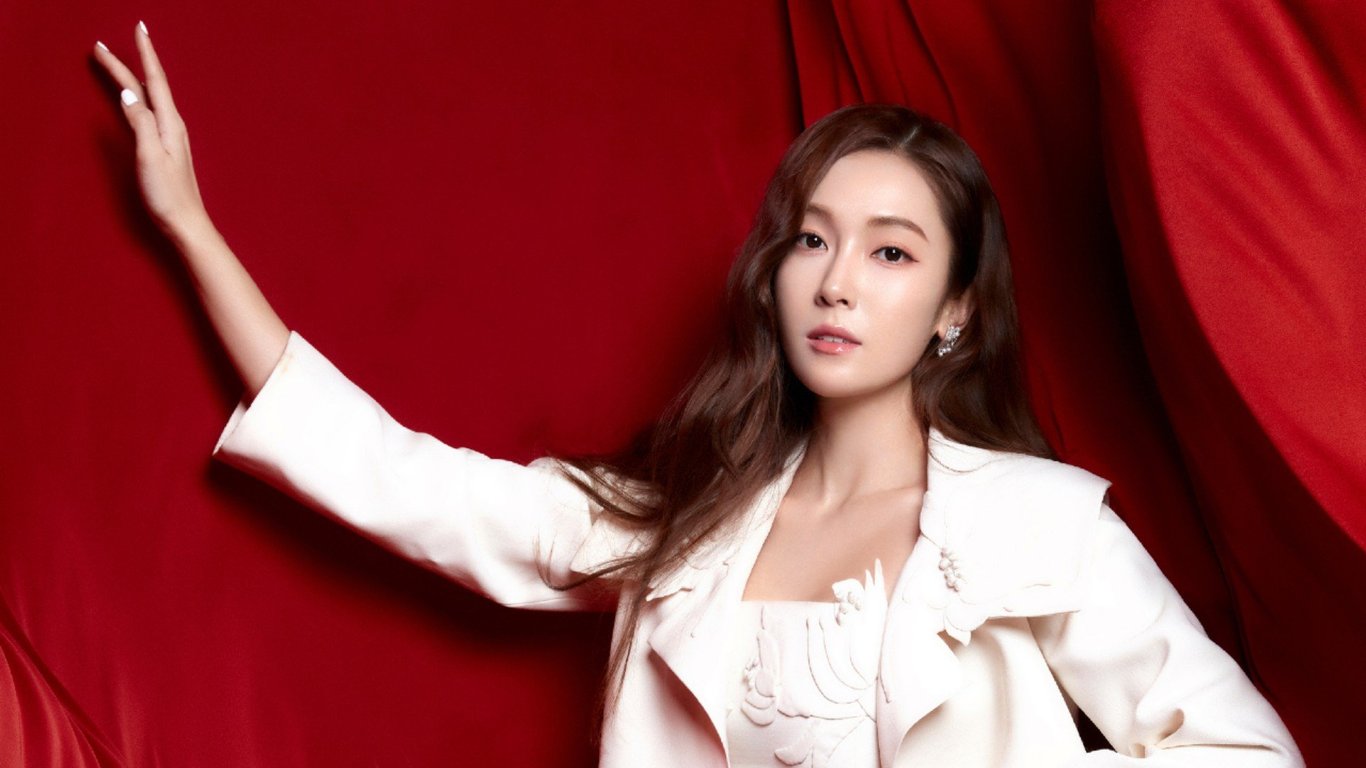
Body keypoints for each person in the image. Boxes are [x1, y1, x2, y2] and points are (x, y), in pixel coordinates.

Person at [93, 22, 1303, 768]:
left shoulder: (1038, 525)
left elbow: (1243, 753)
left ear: (956, 311)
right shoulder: (688, 515)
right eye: (811, 239)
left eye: (890, 251)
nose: (836, 280)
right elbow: (412, 487)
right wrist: (192, 228)